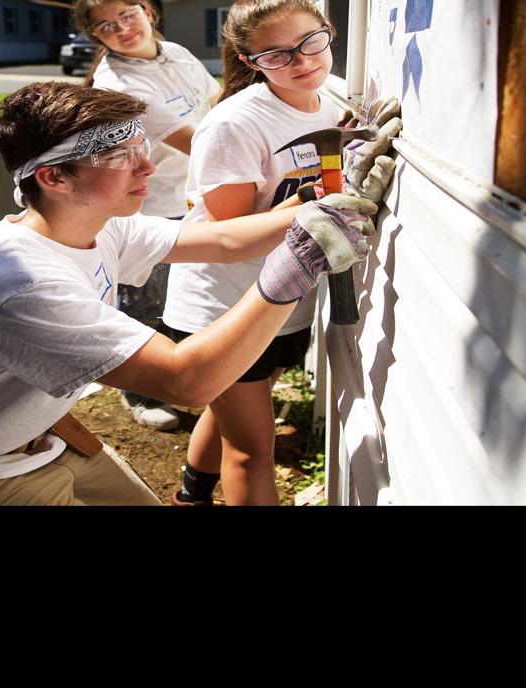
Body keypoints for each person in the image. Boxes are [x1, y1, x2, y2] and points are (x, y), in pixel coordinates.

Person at [0, 82, 379, 506]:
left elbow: (223, 240)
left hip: (39, 444)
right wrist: (289, 274)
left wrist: (329, 196)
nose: (148, 168)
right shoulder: (20, 280)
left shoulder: (98, 226)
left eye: (142, 150)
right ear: (53, 177)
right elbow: (186, 382)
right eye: (120, 156)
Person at [161, 0, 396, 506]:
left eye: (311, 41)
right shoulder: (234, 124)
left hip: (280, 301)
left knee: (241, 404)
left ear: (329, 31)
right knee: (252, 452)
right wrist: (318, 198)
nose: (302, 60)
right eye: (276, 54)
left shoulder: (329, 107)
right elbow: (232, 230)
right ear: (249, 62)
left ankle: (190, 495)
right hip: (223, 306)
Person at [75, 0, 223, 432]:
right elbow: (194, 141)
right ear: (96, 36)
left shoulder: (176, 52)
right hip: (150, 203)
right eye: (106, 25)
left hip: (193, 196)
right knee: (146, 301)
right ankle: (139, 392)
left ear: (147, 11)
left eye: (128, 14)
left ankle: (179, 375)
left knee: (186, 295)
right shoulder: (117, 82)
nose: (122, 28)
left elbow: (215, 105)